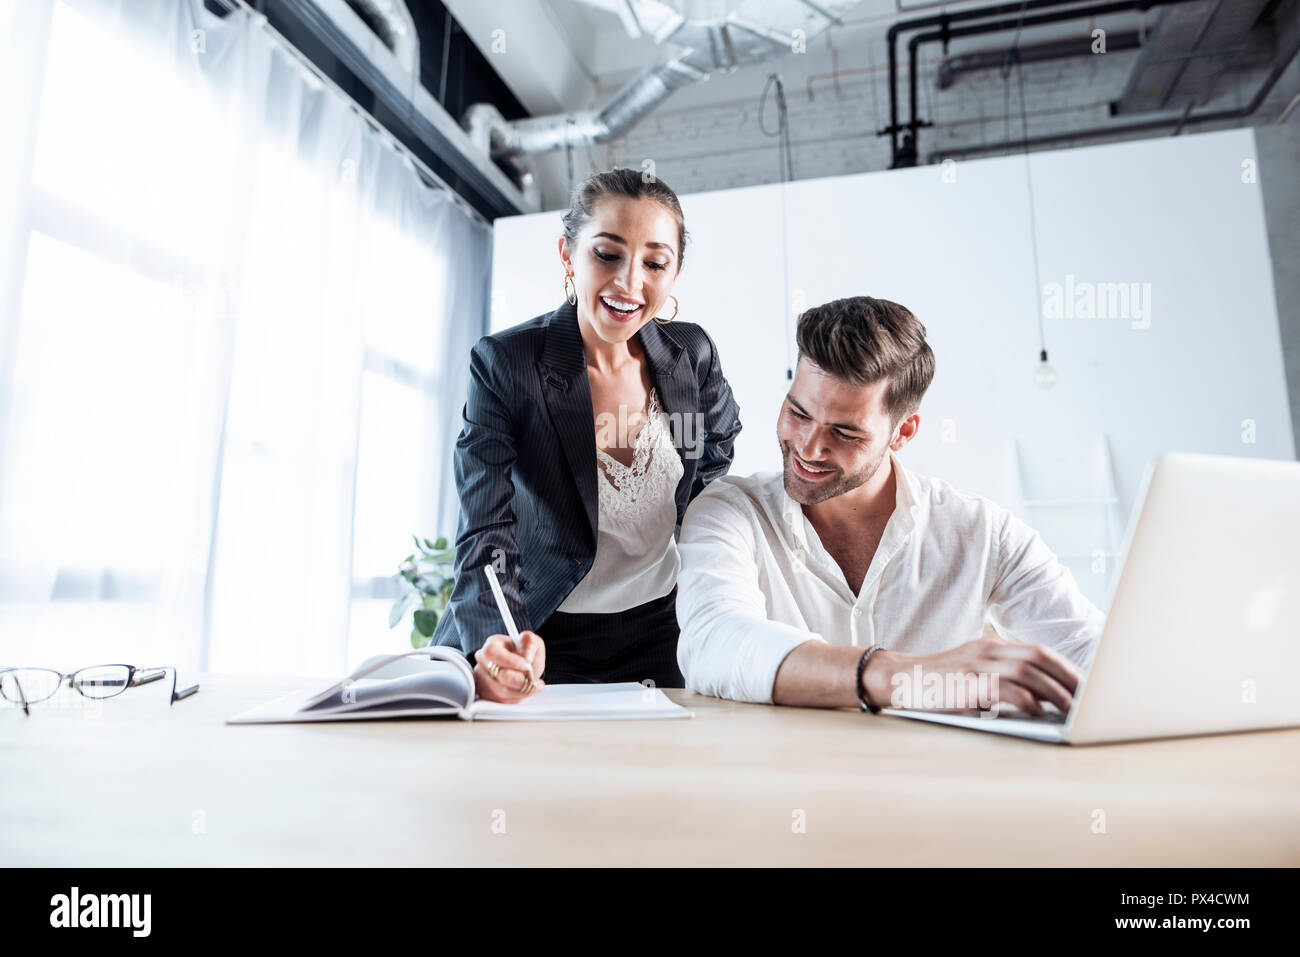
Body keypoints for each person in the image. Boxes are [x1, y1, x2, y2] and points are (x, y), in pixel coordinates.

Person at [675, 295, 1103, 714]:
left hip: (932, 782)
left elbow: (1092, 654)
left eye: (845, 433)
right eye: (798, 413)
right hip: (781, 780)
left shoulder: (983, 532)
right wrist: (903, 677)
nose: (808, 447)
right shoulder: (729, 512)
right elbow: (715, 641)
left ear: (904, 432)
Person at [433, 168, 742, 703]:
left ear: (674, 273)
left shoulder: (692, 354)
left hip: (661, 631)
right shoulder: (508, 364)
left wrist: (691, 528)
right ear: (566, 254)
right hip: (541, 628)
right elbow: (486, 527)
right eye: (607, 254)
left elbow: (716, 444)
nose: (629, 282)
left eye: (654, 262)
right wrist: (497, 637)